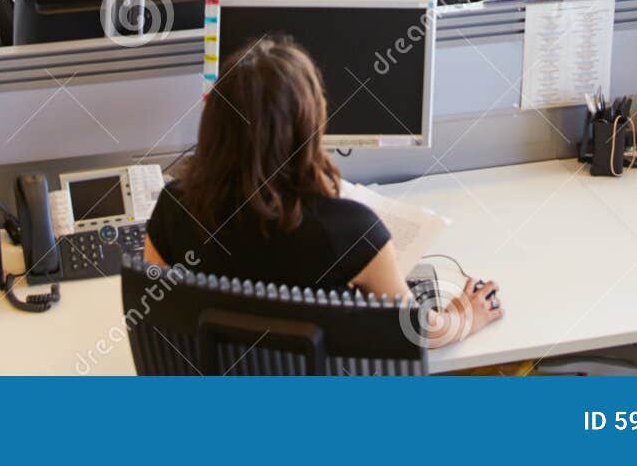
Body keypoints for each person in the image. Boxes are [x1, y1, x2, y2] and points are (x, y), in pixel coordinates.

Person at [144, 36, 504, 348]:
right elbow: (417, 330)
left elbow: (158, 317)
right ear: (309, 127)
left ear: (214, 124)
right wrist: (465, 315)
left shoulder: (174, 208)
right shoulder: (350, 231)